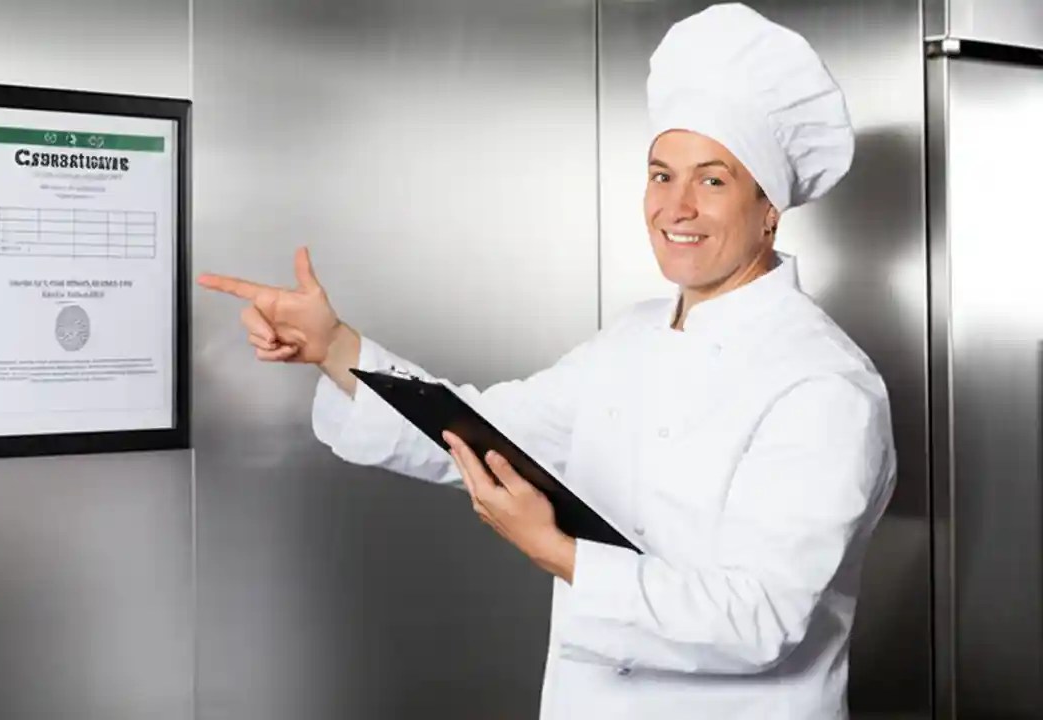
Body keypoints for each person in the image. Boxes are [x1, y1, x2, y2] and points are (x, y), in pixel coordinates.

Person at [197, 3, 896, 718]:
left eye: (712, 180)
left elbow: (759, 620)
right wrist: (336, 348)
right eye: (661, 175)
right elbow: (483, 434)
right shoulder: (632, 338)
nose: (676, 207)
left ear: (769, 207)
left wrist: (559, 553)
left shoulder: (824, 385)